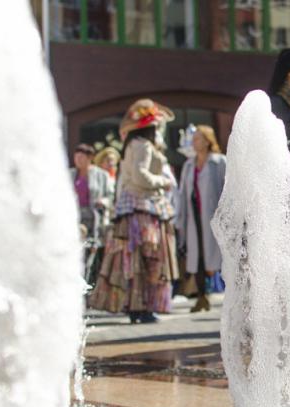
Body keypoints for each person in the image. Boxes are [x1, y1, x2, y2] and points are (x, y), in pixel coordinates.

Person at [90, 99, 179, 324]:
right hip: (144, 205)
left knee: (134, 258)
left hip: (134, 205)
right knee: (149, 257)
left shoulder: (133, 144)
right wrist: (163, 182)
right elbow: (140, 174)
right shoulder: (143, 145)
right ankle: (143, 307)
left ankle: (136, 305)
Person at [175, 125, 226, 313]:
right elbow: (182, 193)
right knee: (198, 257)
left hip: (213, 215)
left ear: (207, 140)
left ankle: (230, 296)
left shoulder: (219, 162)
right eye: (193, 139)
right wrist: (180, 218)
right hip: (194, 214)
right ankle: (202, 296)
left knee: (219, 256)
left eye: (197, 138)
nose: (194, 142)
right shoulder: (189, 164)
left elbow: (226, 189)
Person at [70, 143, 114, 246]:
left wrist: (104, 201)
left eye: (81, 157)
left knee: (93, 246)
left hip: (94, 216)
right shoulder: (70, 174)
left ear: (89, 158)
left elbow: (111, 196)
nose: (78, 160)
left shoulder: (102, 175)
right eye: (76, 157)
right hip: (75, 216)